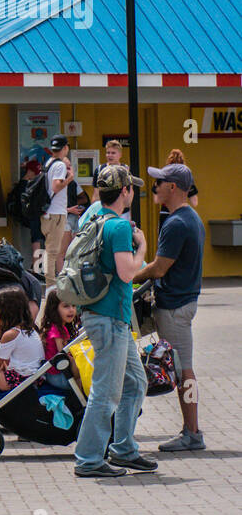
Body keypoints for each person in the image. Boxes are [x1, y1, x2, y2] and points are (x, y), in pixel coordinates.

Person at [72, 164, 153, 478]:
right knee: (106, 392)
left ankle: (124, 449)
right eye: (131, 187)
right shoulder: (119, 227)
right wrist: (142, 244)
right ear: (125, 192)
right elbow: (127, 272)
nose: (133, 191)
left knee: (135, 382)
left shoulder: (93, 218)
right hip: (109, 319)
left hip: (105, 316)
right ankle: (89, 459)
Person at [135, 162, 206, 452]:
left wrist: (129, 276)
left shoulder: (176, 223)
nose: (156, 186)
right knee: (181, 368)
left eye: (160, 182)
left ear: (173, 187)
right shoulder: (190, 217)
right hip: (183, 302)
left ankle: (192, 432)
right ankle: (191, 431)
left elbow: (160, 268)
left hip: (175, 306)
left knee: (183, 370)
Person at [41, 135, 72, 286]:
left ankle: (50, 283)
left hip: (47, 213)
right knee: (52, 252)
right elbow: (55, 186)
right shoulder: (59, 165)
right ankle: (50, 285)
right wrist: (69, 179)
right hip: (56, 214)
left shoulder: (49, 162)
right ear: (65, 148)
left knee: (50, 250)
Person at [37, 289, 79, 392]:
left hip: (56, 376)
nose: (71, 310)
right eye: (66, 306)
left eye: (73, 306)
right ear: (54, 309)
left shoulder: (57, 327)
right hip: (59, 378)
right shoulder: (57, 330)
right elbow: (64, 355)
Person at [156, 150, 199, 224]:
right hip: (180, 212)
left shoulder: (164, 173)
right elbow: (194, 201)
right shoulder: (186, 176)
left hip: (165, 212)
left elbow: (157, 198)